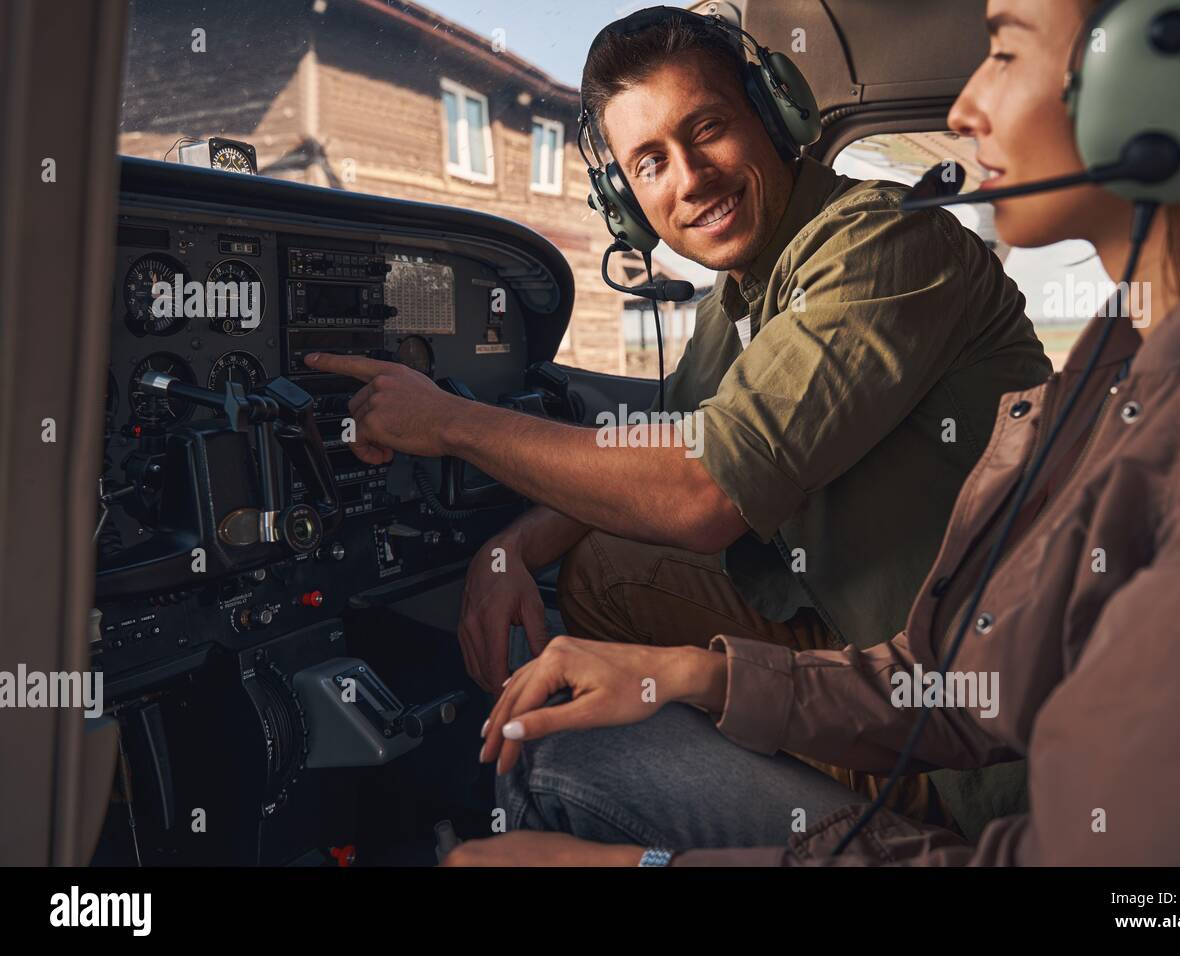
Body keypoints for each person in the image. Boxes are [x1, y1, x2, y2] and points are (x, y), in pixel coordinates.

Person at [446, 0, 1180, 866]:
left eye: (1004, 52)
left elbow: (1153, 892)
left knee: (556, 766)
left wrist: (649, 867)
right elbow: (955, 681)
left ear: (1165, 75)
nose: (966, 110)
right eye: (651, 162)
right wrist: (665, 656)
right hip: (927, 694)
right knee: (604, 586)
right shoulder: (1118, 364)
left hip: (987, 783)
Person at [307, 7, 1050, 825]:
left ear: (775, 117)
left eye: (708, 130)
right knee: (605, 569)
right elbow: (660, 448)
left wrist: (452, 423)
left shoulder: (885, 245)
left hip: (964, 731)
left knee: (558, 765)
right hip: (861, 650)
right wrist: (506, 549)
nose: (690, 180)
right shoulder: (737, 298)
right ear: (626, 199)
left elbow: (700, 494)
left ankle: (880, 828)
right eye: (651, 161)